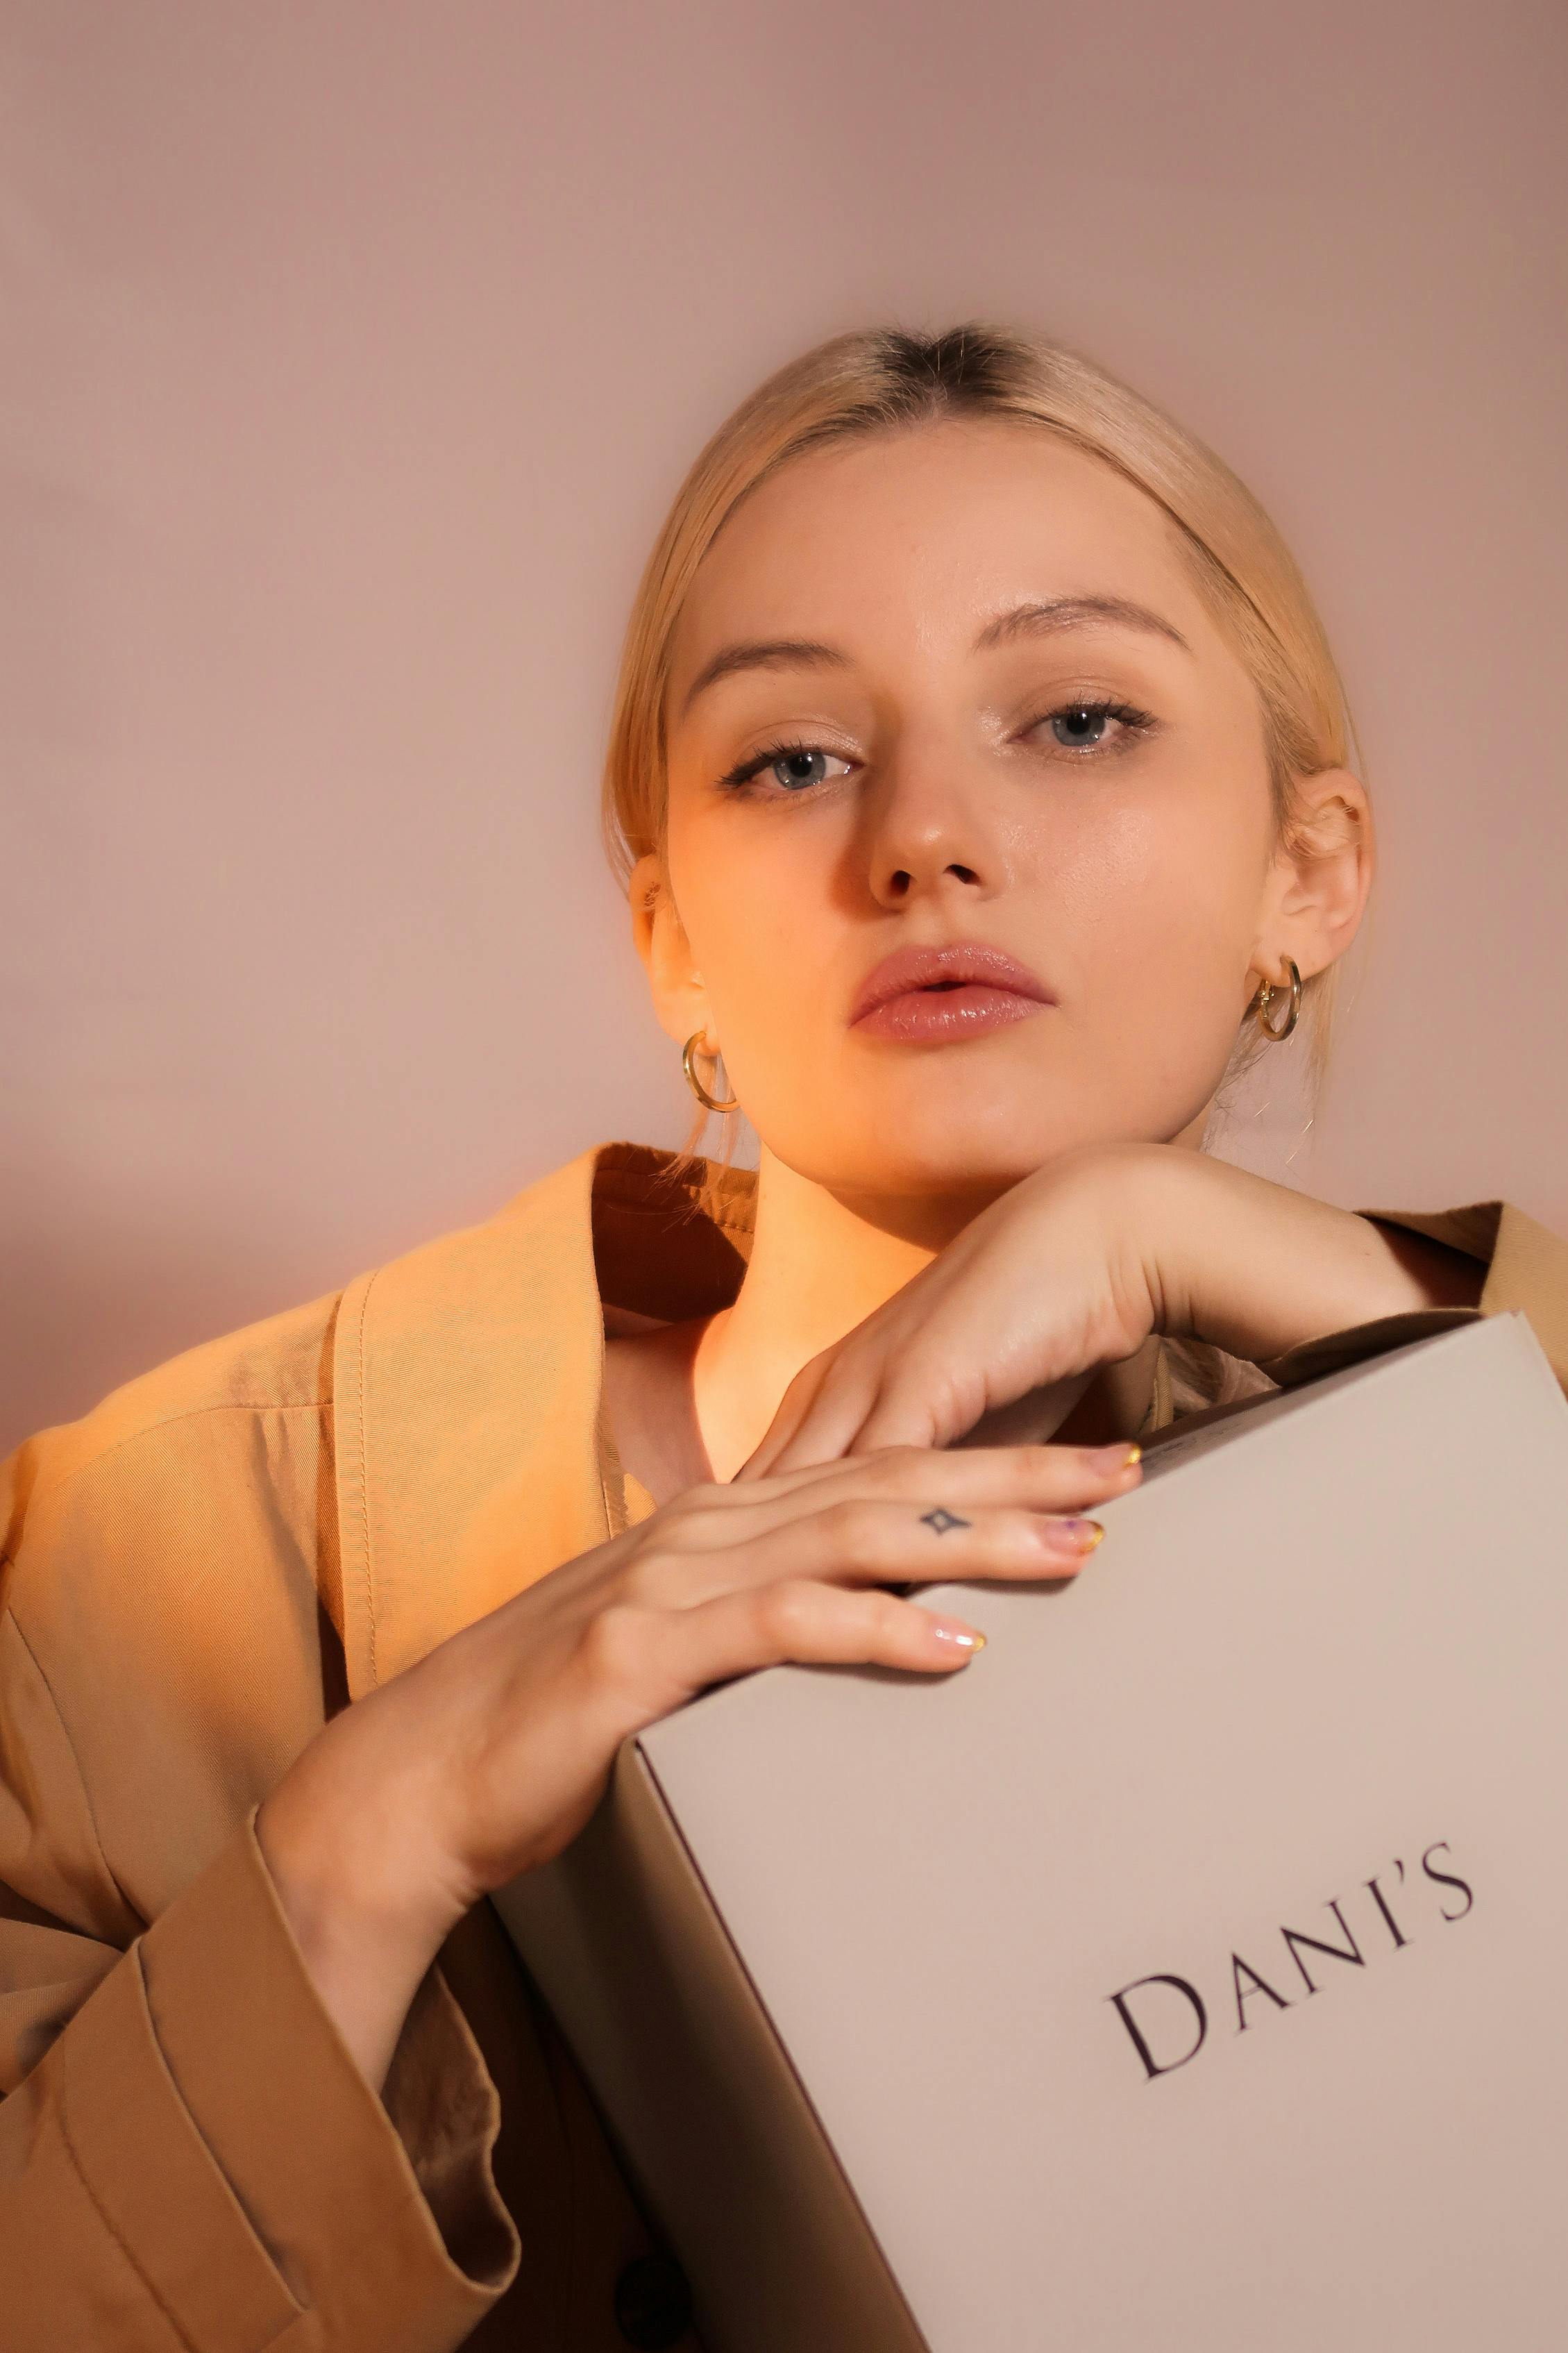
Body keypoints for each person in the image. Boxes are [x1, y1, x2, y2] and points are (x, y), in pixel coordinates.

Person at [3, 323, 1565, 2353]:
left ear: (1309, 868)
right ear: (669, 936)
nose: (920, 835)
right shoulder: (132, 1561)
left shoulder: (1492, 1363)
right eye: (790, 760)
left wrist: (1360, 1339)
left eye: (1077, 719)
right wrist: (377, 1821)